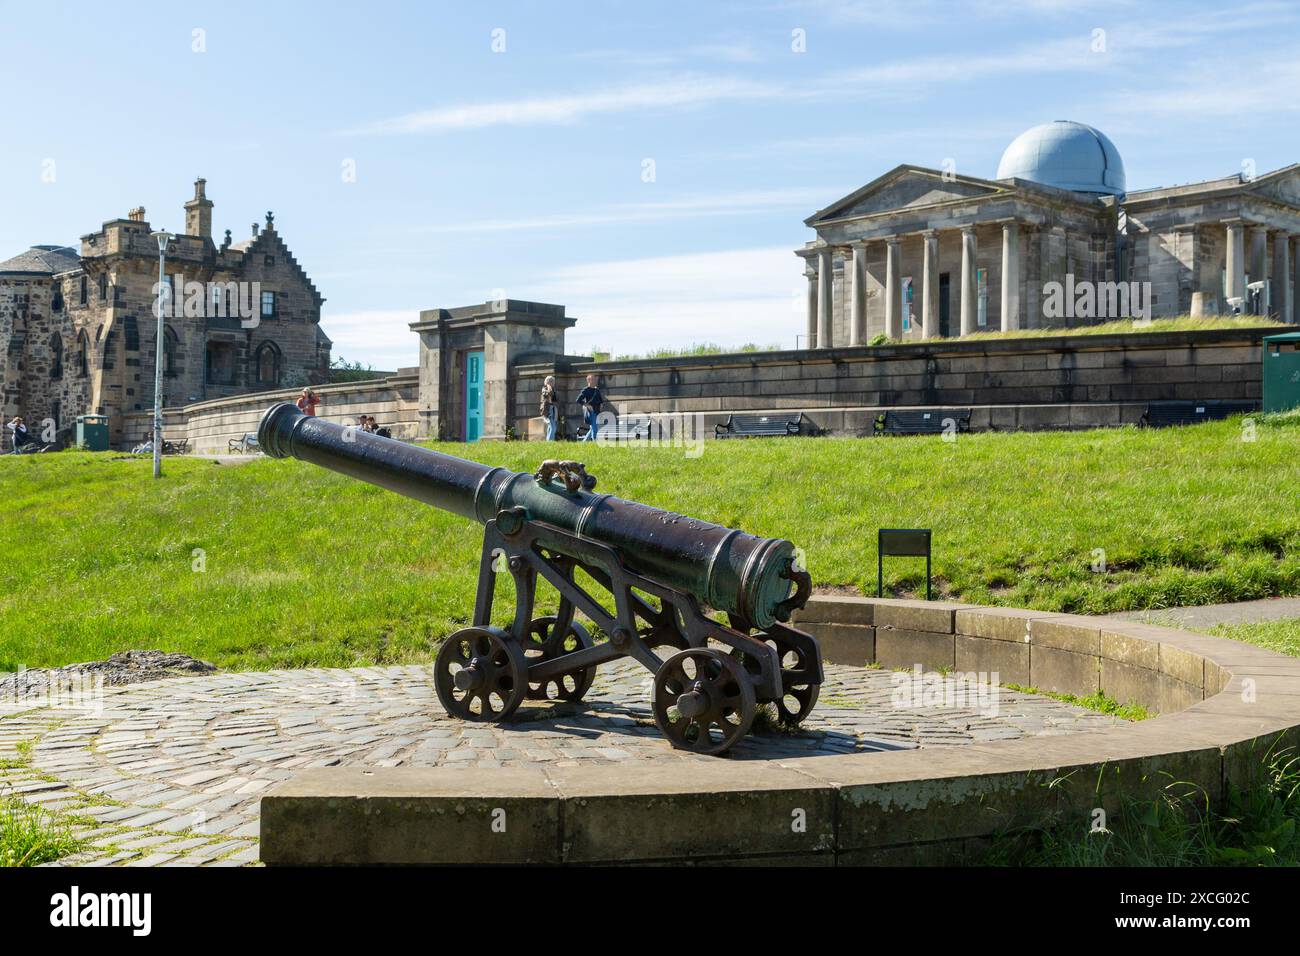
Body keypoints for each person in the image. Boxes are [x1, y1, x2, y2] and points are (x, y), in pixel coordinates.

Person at [575, 374, 604, 442]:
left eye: (595, 379)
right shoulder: (586, 390)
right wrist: (587, 405)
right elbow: (578, 400)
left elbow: (600, 400)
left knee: (592, 428)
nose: (594, 381)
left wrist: (601, 405)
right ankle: (595, 442)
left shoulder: (597, 390)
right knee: (595, 428)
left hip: (597, 411)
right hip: (591, 411)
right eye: (592, 379)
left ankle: (584, 442)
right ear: (588, 380)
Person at [539, 375, 559, 441]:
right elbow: (549, 394)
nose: (553, 383)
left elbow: (556, 399)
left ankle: (548, 441)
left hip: (553, 410)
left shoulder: (554, 390)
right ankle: (550, 442)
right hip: (547, 410)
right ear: (548, 382)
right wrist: (548, 386)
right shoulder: (544, 388)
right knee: (553, 427)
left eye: (553, 381)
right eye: (552, 381)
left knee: (550, 427)